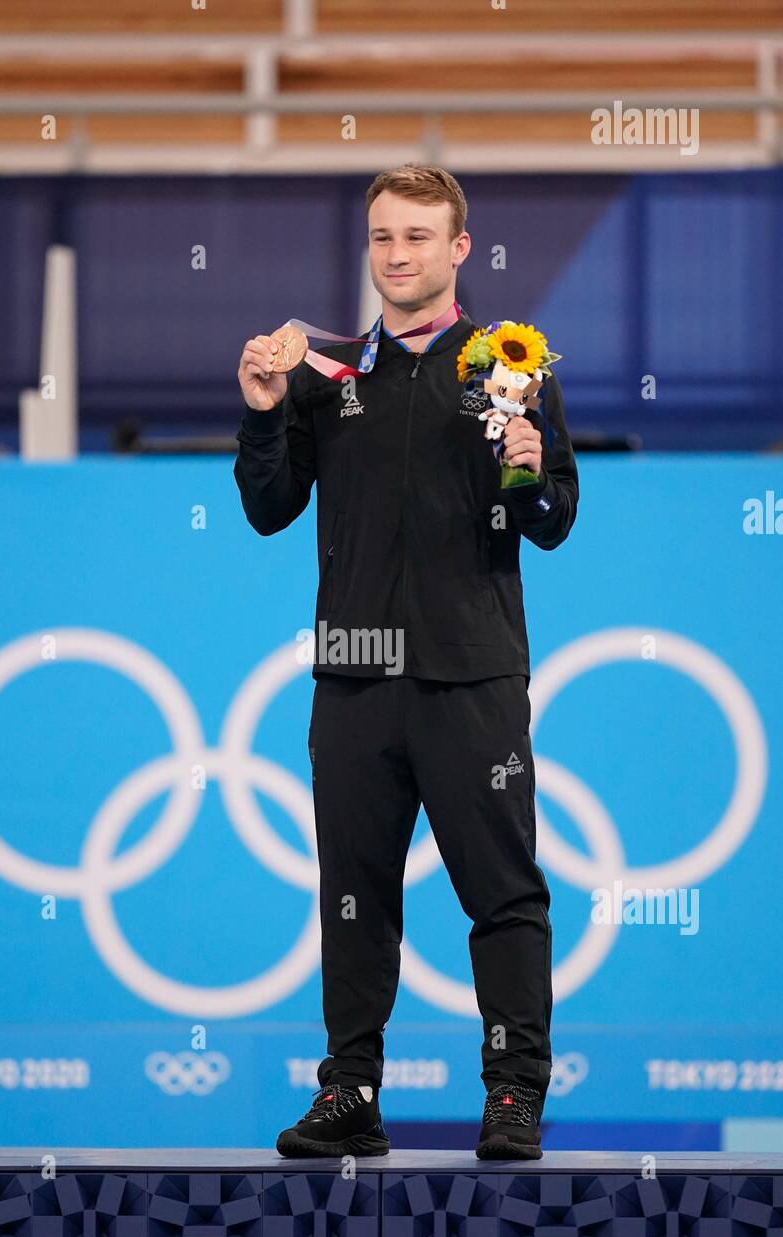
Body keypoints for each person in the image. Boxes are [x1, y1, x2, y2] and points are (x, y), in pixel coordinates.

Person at [233, 163, 579, 1160]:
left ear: (458, 247)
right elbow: (267, 509)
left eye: (419, 236)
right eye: (383, 236)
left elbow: (548, 522)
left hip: (470, 679)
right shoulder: (324, 370)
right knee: (353, 894)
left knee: (502, 894)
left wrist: (520, 460)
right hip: (351, 676)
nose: (398, 255)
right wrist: (262, 408)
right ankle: (349, 1091)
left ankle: (511, 1095)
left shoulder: (510, 367)